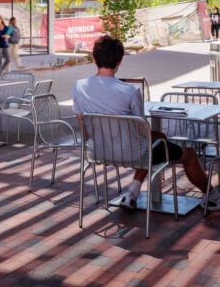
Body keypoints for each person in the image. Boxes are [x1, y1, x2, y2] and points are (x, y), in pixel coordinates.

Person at [73, 35, 220, 210]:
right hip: (133, 154)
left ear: (94, 58)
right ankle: (213, 197)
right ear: (120, 61)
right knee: (187, 154)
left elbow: (83, 124)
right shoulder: (130, 91)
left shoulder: (79, 86)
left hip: (98, 152)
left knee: (159, 138)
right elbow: (141, 129)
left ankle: (132, 194)